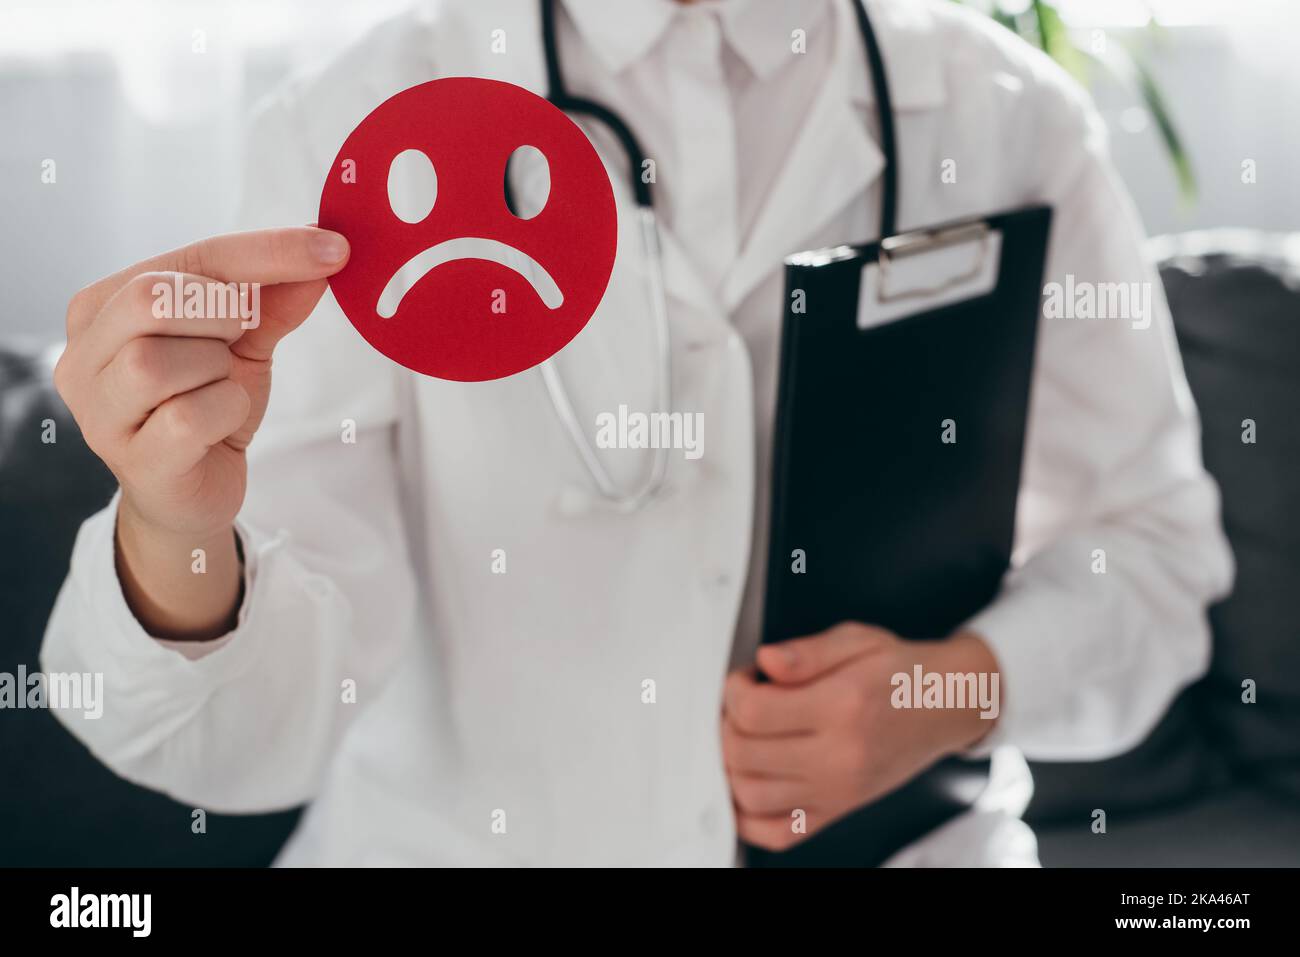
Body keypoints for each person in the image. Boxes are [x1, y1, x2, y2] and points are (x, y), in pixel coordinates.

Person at [42, 0, 1233, 866]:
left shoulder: (1012, 117)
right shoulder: (362, 121)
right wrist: (174, 531)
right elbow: (260, 728)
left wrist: (953, 687)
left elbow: (1154, 558)